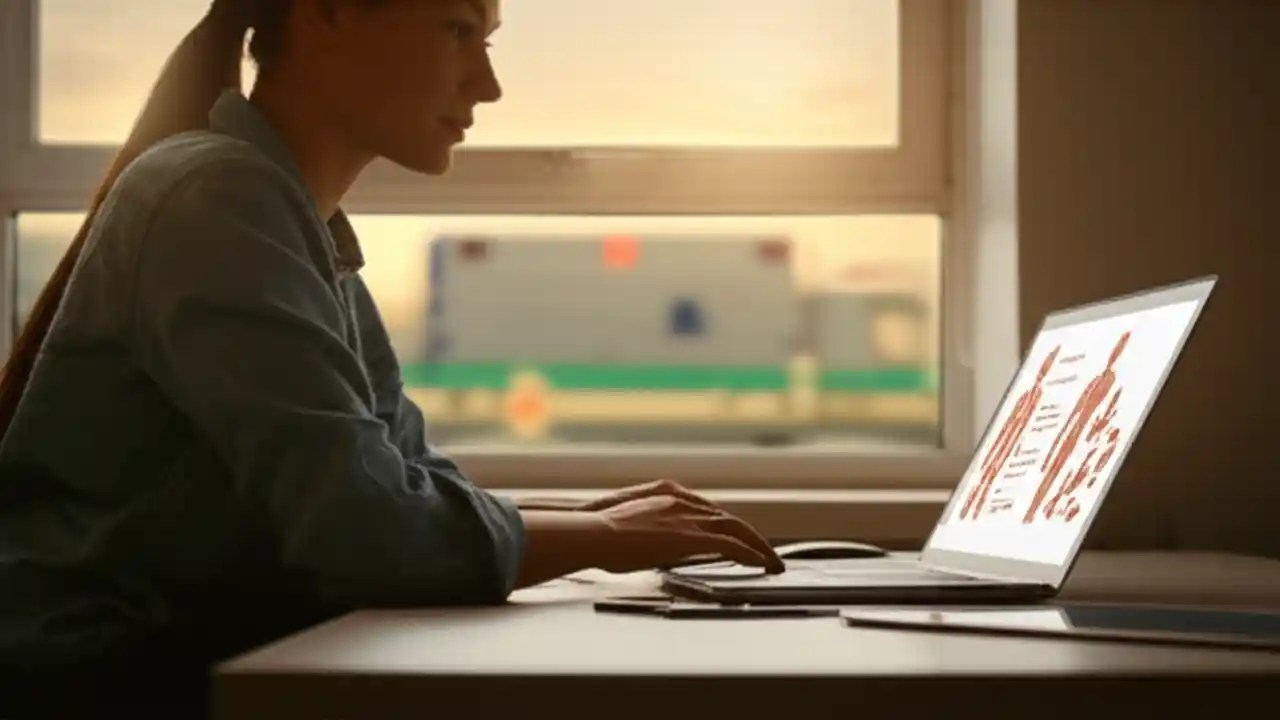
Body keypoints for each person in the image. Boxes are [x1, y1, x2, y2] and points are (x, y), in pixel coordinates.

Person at [0, 1, 784, 715]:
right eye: (458, 30)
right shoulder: (215, 196)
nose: (489, 85)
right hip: (104, 683)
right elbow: (367, 532)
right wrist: (610, 540)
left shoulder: (301, 229)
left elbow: (400, 480)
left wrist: (593, 517)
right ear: (328, 13)